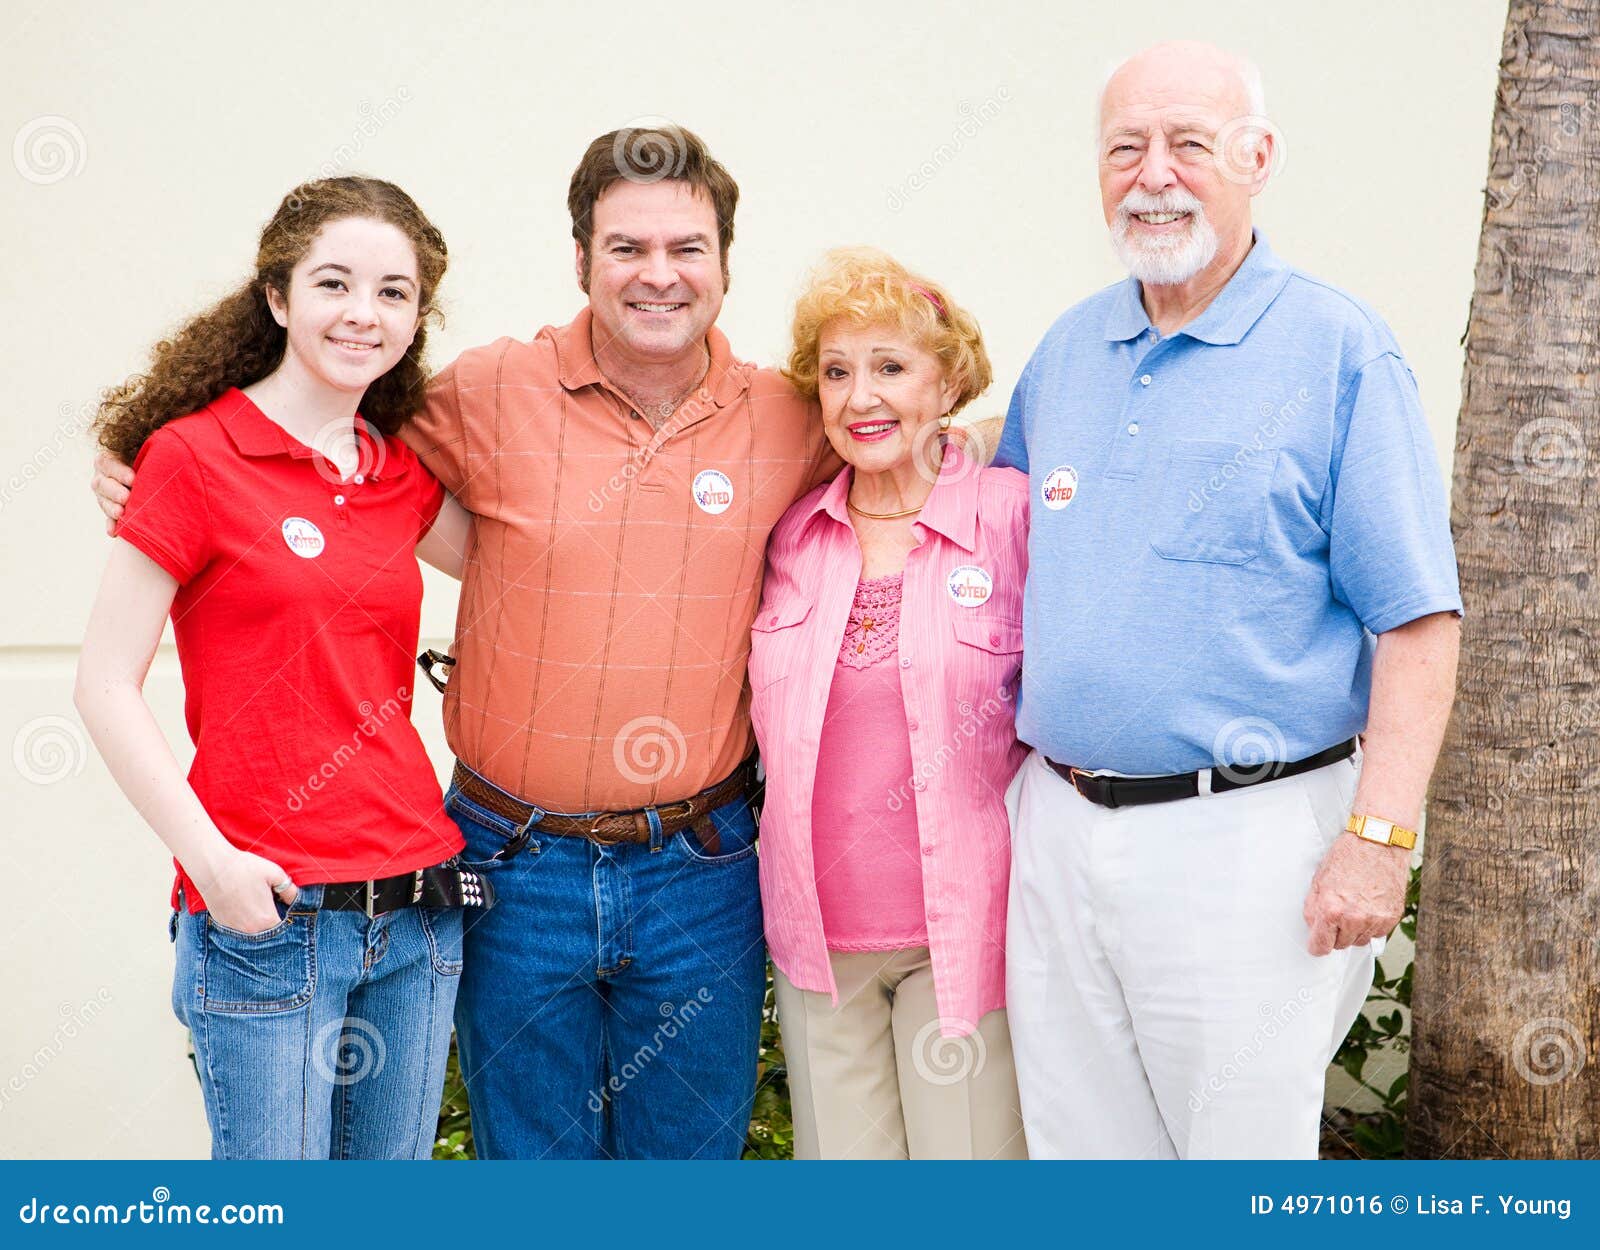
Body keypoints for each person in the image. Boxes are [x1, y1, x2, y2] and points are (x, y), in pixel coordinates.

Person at [95, 127, 841, 1159]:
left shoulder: (787, 415)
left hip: (694, 872)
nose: (657, 274)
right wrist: (133, 453)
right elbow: (293, 429)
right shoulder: (490, 392)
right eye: (626, 247)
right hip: (513, 859)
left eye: (687, 248)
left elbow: (910, 437)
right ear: (580, 257)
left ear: (724, 261)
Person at [996, 41, 1462, 1159]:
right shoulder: (1064, 353)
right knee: (1083, 1162)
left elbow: (1417, 622)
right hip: (1055, 828)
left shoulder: (1338, 349)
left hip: (1246, 836)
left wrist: (1380, 839)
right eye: (1125, 147)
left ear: (1257, 159)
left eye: (1187, 144)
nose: (1152, 172)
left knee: (1237, 1171)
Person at [76, 177, 488, 1159]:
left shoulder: (398, 468)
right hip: (269, 915)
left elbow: (535, 557)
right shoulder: (193, 456)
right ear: (277, 296)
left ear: (418, 314)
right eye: (334, 282)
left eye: (394, 291)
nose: (363, 312)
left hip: (418, 911)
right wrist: (211, 862)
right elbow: (100, 682)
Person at [751, 248, 1028, 1159]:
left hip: (964, 937)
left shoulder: (1010, 519)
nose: (860, 396)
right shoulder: (794, 533)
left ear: (946, 383)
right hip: (817, 943)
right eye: (837, 373)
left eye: (890, 368)